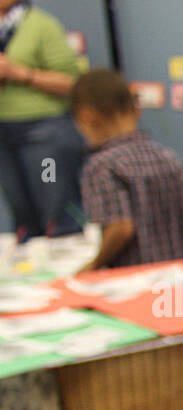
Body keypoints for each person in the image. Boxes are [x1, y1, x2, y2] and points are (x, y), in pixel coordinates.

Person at [69, 69, 183, 271]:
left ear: (86, 117)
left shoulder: (101, 166)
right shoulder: (168, 157)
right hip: (176, 276)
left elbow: (121, 227)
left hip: (131, 279)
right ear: (136, 110)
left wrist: (94, 265)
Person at [0, 0, 85, 239]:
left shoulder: (41, 25)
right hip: (4, 133)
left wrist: (19, 73)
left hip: (43, 130)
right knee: (22, 214)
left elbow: (71, 82)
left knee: (55, 212)